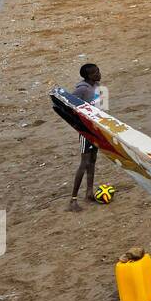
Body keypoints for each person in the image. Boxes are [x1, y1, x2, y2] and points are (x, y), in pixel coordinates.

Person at [69, 63, 104, 211]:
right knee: (84, 163)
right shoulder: (82, 88)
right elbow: (70, 104)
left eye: (98, 71)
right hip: (86, 130)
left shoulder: (96, 85)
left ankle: (89, 192)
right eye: (95, 73)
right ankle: (73, 200)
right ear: (88, 76)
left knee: (92, 160)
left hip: (95, 127)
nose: (98, 74)